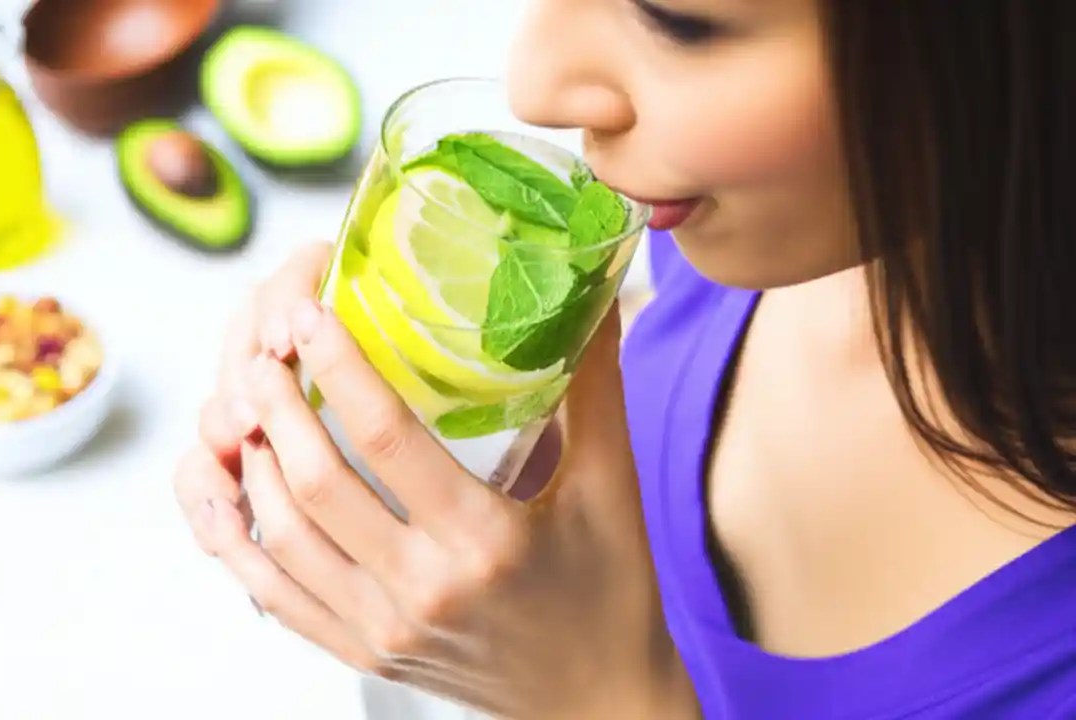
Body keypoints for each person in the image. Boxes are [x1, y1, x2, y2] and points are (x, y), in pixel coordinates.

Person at [173, 0, 1076, 716]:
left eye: (677, 17)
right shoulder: (759, 224)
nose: (533, 86)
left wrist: (596, 693)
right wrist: (483, 474)